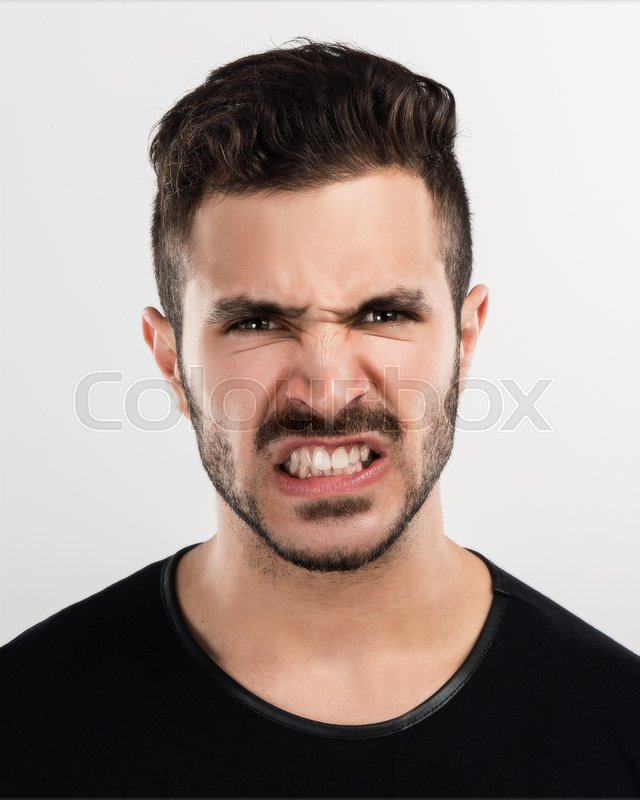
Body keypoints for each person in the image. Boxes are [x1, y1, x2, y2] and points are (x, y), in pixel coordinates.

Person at [1, 38, 639, 799]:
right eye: (258, 324)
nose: (328, 392)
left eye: (382, 313)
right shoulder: (21, 727)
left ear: (465, 340)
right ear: (170, 362)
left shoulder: (618, 730)